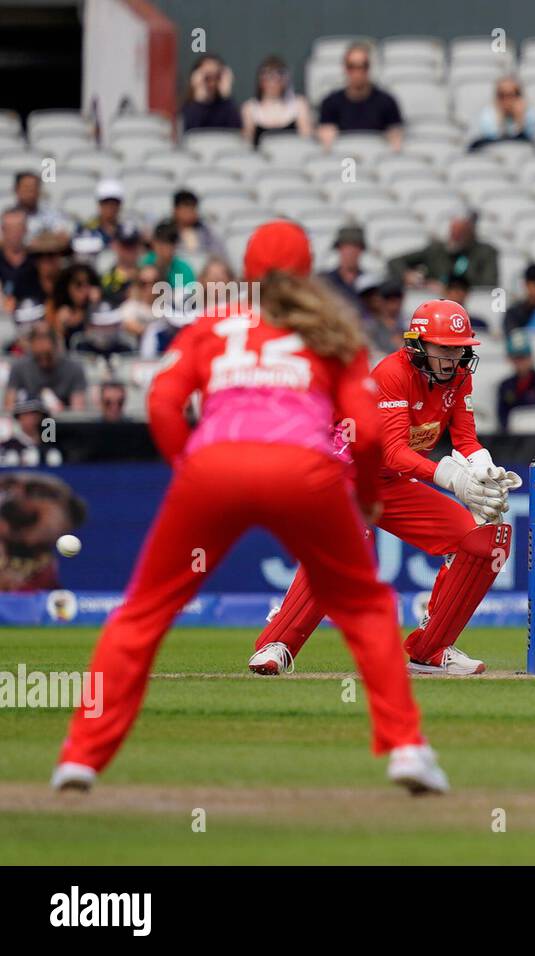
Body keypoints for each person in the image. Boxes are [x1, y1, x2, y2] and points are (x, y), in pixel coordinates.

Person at [51, 219, 447, 796]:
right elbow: (364, 433)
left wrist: (187, 467)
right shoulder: (332, 331)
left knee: (142, 615)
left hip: (213, 466)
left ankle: (80, 757)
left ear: (247, 273)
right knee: (364, 609)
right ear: (307, 271)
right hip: (304, 472)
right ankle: (407, 749)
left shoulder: (214, 324)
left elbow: (162, 401)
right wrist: (363, 499)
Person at [248, 298, 517, 679]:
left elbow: (466, 439)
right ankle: (278, 643)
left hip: (388, 484)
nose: (454, 357)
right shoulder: (391, 373)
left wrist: (483, 470)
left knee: (480, 540)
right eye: (444, 347)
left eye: (460, 349)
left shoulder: (459, 377)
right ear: (418, 345)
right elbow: (392, 451)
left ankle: (431, 649)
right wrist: (454, 478)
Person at [318, 42, 403, 150]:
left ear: (369, 67)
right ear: (345, 68)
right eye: (351, 66)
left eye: (363, 66)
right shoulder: (330, 103)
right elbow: (328, 146)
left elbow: (395, 143)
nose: (357, 72)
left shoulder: (387, 102)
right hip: (345, 163)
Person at [389, 210, 498, 291]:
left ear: (471, 233)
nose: (455, 237)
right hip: (434, 303)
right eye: (453, 232)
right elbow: (395, 261)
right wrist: (408, 275)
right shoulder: (436, 250)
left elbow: (488, 284)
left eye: (460, 233)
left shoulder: (486, 252)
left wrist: (449, 288)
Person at [241, 54, 313, 145]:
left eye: (277, 75)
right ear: (260, 80)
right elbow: (246, 143)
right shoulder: (250, 108)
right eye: (267, 75)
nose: (272, 82)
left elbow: (306, 140)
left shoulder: (299, 105)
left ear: (285, 79)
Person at [497, 329, 535, 431]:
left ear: (531, 358)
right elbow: (502, 416)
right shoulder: (505, 385)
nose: (520, 362)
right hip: (513, 437)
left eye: (523, 357)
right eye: (516, 358)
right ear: (511, 360)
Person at [470, 74, 535, 150]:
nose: (506, 100)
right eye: (501, 95)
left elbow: (531, 140)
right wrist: (500, 120)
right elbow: (494, 142)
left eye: (511, 95)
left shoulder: (530, 114)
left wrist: (520, 121)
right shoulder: (487, 114)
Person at [179, 54, 241, 131]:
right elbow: (188, 131)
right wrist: (199, 97)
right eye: (207, 77)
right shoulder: (187, 107)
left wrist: (226, 95)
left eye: (216, 76)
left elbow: (235, 132)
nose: (211, 82)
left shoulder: (226, 107)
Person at [12, 171, 73, 239]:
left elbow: (62, 238)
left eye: (34, 188)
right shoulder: (5, 217)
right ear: (16, 190)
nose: (30, 193)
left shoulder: (52, 215)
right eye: (26, 188)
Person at [171, 189, 227, 265]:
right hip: (179, 272)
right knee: (178, 275)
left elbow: (219, 253)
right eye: (186, 208)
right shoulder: (167, 231)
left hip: (201, 273)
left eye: (193, 209)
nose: (190, 213)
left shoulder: (206, 231)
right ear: (176, 210)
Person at [0, 207, 39, 310]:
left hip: (36, 312)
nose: (14, 233)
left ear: (25, 229)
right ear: (3, 229)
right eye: (10, 228)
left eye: (18, 228)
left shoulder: (37, 258)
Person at [321, 224, 366, 307]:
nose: (350, 252)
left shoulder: (368, 282)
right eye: (346, 248)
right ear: (339, 249)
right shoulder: (325, 281)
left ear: (361, 250)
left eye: (355, 247)